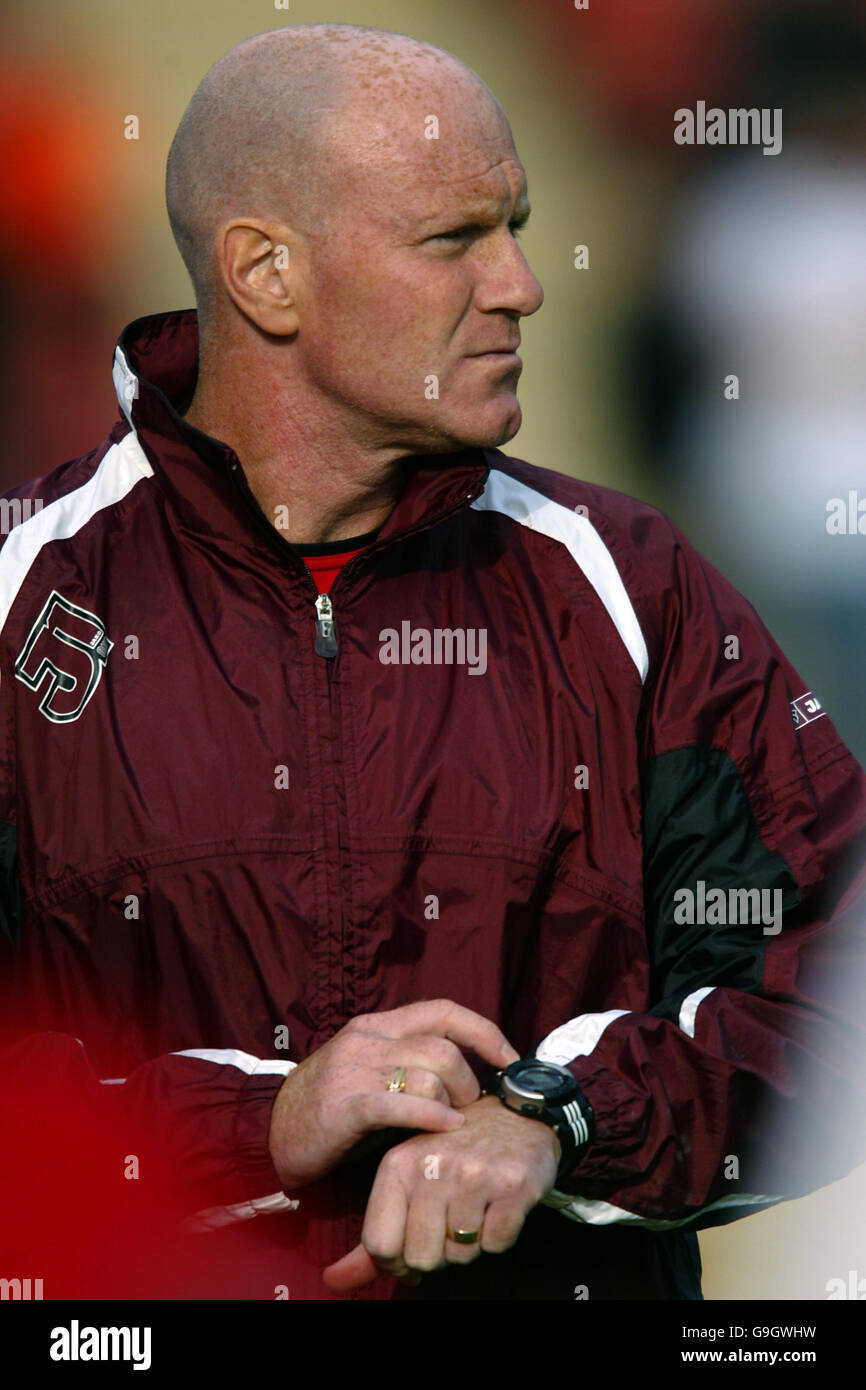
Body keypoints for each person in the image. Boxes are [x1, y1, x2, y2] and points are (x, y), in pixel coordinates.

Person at [1, 22, 864, 1302]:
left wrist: (555, 1119)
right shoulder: (22, 601)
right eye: (454, 238)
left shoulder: (628, 586)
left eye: (514, 225)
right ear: (266, 276)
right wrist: (266, 1125)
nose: (520, 283)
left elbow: (833, 974)